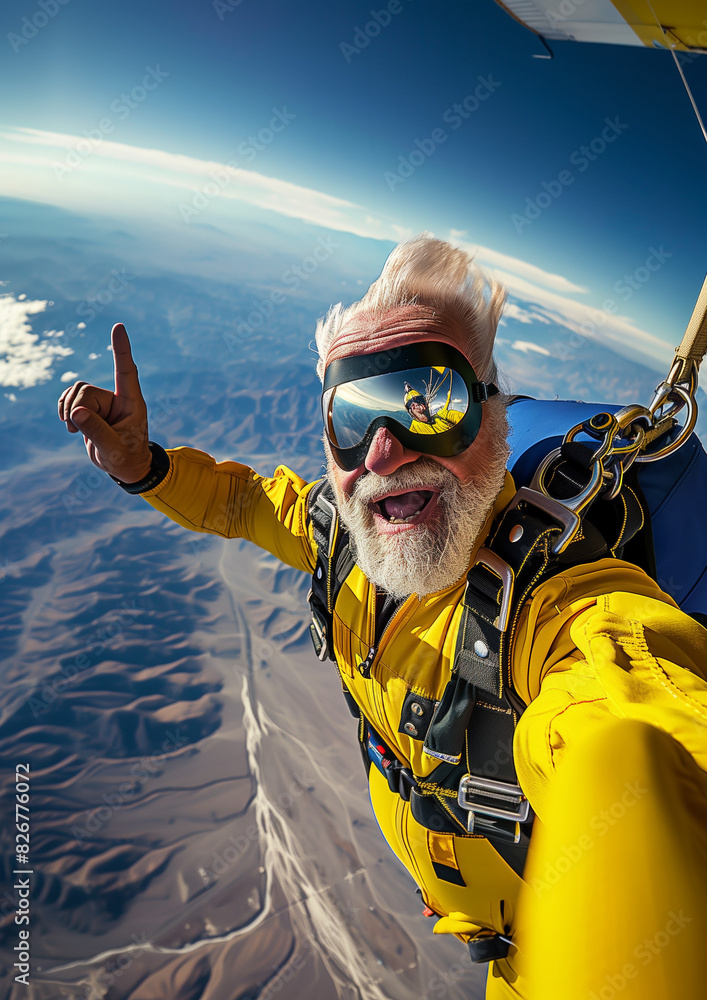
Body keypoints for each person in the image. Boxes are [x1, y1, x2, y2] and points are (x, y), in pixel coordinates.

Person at [58, 234, 707, 999]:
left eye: (429, 403)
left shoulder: (562, 608)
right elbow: (243, 501)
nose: (384, 452)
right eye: (352, 417)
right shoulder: (340, 539)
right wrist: (144, 465)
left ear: (493, 418)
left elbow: (631, 728)